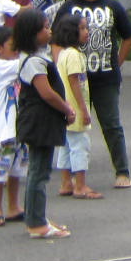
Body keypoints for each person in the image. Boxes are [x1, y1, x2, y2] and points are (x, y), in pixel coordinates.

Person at [54, 0, 131, 188]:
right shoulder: (68, 8)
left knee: (112, 125)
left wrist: (117, 63)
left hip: (106, 79)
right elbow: (55, 40)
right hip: (74, 80)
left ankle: (122, 172)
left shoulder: (113, 7)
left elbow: (128, 36)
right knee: (73, 126)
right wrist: (60, 67)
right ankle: (69, 177)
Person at [13, 7, 72, 239]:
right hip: (39, 121)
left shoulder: (38, 57)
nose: (50, 31)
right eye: (45, 28)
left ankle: (36, 217)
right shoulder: (33, 62)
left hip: (41, 120)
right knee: (39, 172)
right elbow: (46, 93)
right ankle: (36, 223)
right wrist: (66, 108)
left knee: (39, 170)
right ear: (32, 33)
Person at [51, 15, 99, 199]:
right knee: (80, 145)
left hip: (66, 109)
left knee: (66, 146)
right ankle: (80, 185)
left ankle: (66, 183)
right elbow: (74, 82)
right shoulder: (73, 55)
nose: (87, 32)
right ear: (71, 32)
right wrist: (83, 109)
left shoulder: (64, 54)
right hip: (75, 109)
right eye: (82, 28)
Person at [0, 24, 27, 226]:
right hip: (3, 129)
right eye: (13, 46)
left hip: (19, 128)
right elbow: (26, 63)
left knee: (16, 170)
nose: (17, 49)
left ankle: (13, 207)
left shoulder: (16, 65)